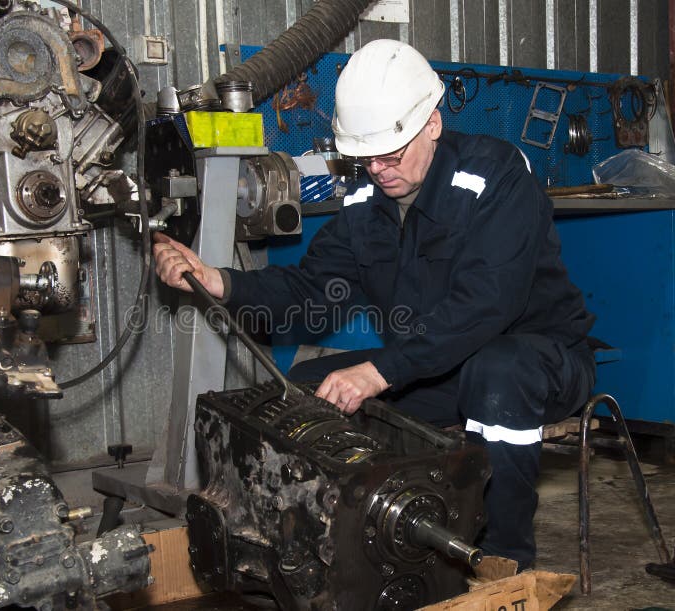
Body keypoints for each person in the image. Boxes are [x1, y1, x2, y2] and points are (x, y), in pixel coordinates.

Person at [153, 39, 595, 571]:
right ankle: (346, 551)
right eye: (366, 157)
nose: (379, 169)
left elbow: (485, 306)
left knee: (495, 373)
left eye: (392, 153)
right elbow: (312, 293)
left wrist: (381, 370)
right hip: (438, 367)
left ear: (431, 124)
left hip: (540, 364)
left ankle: (503, 559)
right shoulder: (367, 204)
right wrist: (220, 281)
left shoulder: (496, 178)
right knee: (310, 393)